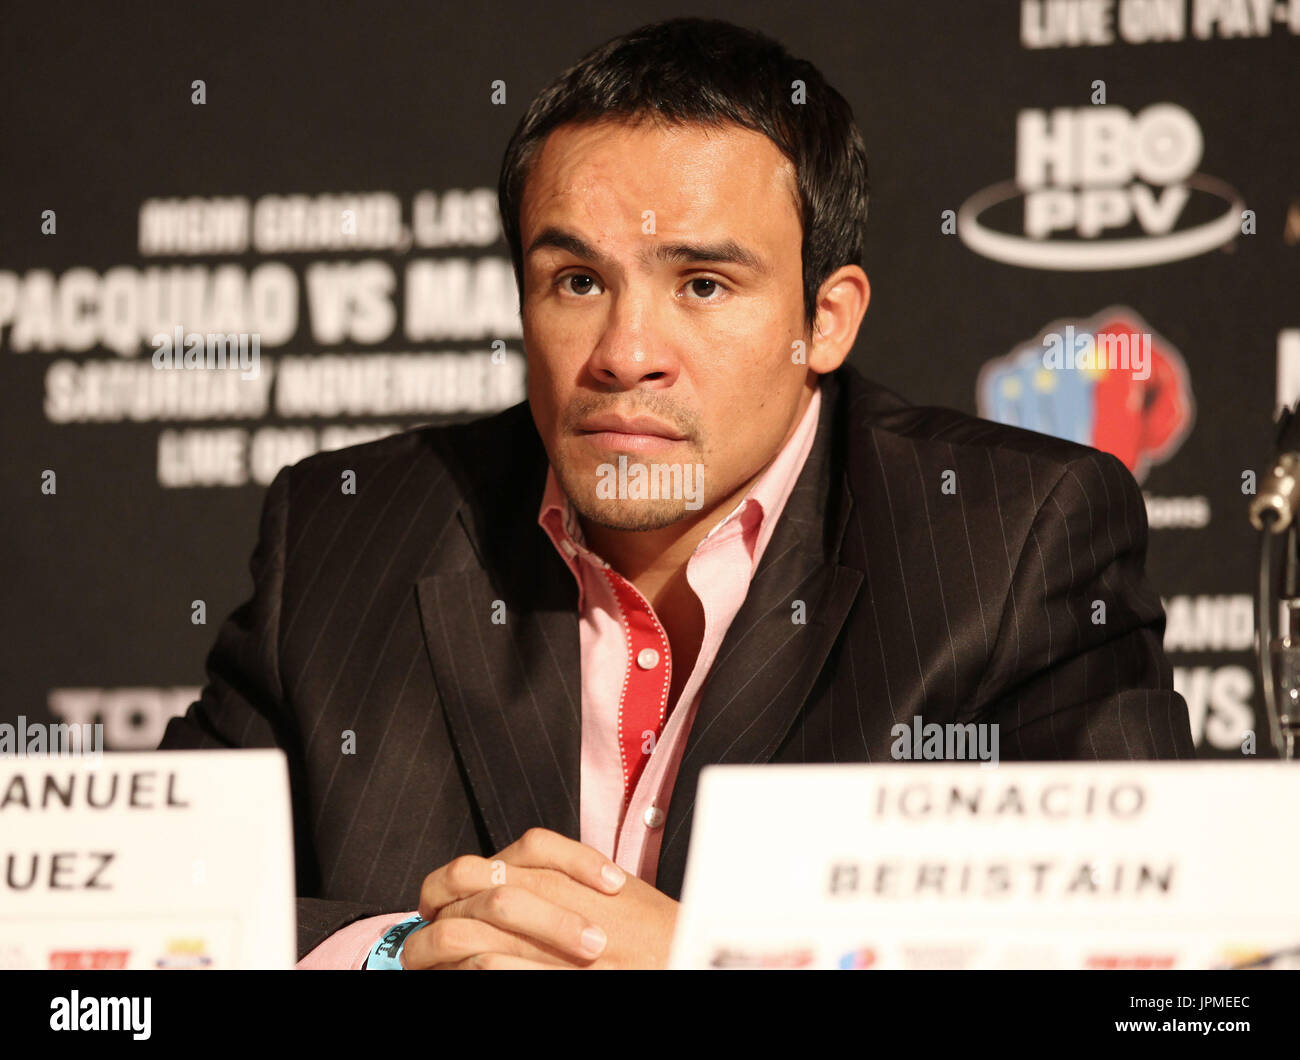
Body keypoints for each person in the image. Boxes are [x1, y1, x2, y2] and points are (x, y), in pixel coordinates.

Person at [159, 16, 1196, 969]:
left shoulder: (1011, 540)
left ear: (825, 320)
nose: (624, 353)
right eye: (576, 282)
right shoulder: (345, 527)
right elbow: (155, 906)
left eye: (701, 284)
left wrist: (715, 962)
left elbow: (1146, 964)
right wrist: (398, 957)